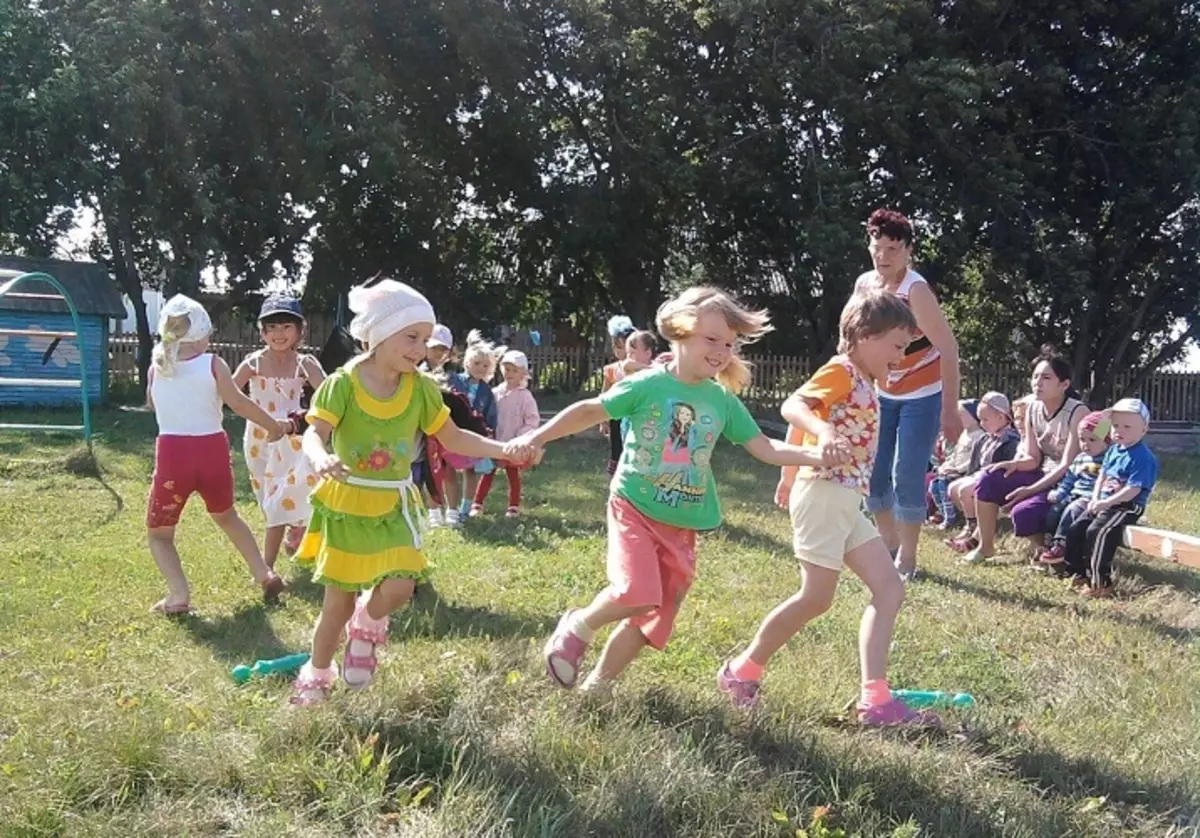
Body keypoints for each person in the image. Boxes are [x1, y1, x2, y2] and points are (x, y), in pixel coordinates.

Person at [513, 287, 825, 694]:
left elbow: (765, 448)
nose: (720, 350)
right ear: (679, 332)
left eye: (728, 343)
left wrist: (819, 457)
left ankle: (599, 686)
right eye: (711, 339)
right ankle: (578, 626)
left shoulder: (722, 401)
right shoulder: (647, 385)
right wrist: (539, 435)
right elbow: (591, 410)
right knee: (636, 592)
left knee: (654, 615)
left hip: (681, 523)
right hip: (635, 507)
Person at [290, 280, 533, 705]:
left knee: (401, 586)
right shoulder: (343, 384)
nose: (421, 349)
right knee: (336, 606)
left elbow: (455, 437)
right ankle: (317, 673)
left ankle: (368, 622)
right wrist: (320, 457)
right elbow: (315, 433)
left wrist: (503, 449)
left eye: (425, 339)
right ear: (380, 332)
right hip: (347, 503)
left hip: (394, 504)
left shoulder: (420, 388)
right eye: (412, 337)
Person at [716, 291, 938, 726]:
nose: (901, 357)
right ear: (863, 336)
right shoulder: (842, 370)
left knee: (890, 589)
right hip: (824, 495)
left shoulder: (863, 381)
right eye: (896, 346)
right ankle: (741, 672)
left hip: (844, 501)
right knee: (816, 598)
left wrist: (787, 473)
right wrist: (821, 435)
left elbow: (813, 418)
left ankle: (875, 700)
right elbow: (795, 406)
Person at [146, 294, 288, 614]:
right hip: (212, 452)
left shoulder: (157, 368)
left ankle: (178, 595)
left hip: (173, 456)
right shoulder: (213, 364)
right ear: (201, 335)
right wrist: (272, 426)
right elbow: (238, 402)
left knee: (159, 534)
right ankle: (263, 573)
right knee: (227, 516)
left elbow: (152, 404)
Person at [854, 209, 962, 580]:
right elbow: (853, 341)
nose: (883, 256)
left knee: (907, 472)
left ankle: (909, 559)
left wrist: (950, 411)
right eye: (877, 246)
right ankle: (889, 543)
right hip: (883, 393)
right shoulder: (865, 285)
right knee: (874, 471)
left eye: (893, 249)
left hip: (924, 394)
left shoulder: (916, 291)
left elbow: (948, 348)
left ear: (908, 250)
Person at [967, 348, 1087, 563]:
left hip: (1068, 481)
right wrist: (1012, 464)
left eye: (1046, 377)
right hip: (1042, 473)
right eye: (1035, 377)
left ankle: (1051, 551)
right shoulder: (1032, 408)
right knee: (988, 479)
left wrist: (1029, 491)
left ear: (1064, 384)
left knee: (1023, 513)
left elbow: (1067, 465)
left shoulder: (1078, 412)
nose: (1037, 382)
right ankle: (985, 547)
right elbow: (1033, 458)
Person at [233, 296, 326, 567]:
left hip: (293, 439)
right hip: (258, 440)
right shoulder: (253, 363)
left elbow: (329, 396)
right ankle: (292, 529)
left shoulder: (305, 363)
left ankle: (267, 567)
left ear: (300, 331)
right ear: (262, 332)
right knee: (267, 497)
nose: (279, 334)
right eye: (271, 328)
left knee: (289, 493)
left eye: (286, 327)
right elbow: (228, 394)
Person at [1061, 399, 1158, 596]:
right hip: (1105, 502)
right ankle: (1078, 573)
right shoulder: (1114, 449)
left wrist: (1107, 502)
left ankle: (1100, 584)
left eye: (1127, 426)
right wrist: (1095, 499)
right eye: (1115, 426)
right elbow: (1102, 477)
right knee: (1076, 528)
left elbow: (1133, 489)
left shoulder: (1142, 457)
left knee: (1097, 532)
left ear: (1144, 429)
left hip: (1127, 505)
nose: (1119, 430)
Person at [945, 392, 1021, 554]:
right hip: (979, 475)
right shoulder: (985, 439)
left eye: (985, 419)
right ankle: (973, 521)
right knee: (953, 488)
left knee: (965, 490)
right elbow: (975, 464)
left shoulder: (1010, 441)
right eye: (980, 419)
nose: (982, 423)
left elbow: (1004, 469)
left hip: (993, 479)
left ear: (1001, 417)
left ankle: (974, 529)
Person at [472, 350, 541, 517]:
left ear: (523, 373)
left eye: (514, 370)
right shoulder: (495, 393)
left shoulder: (525, 396)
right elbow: (487, 413)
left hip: (514, 442)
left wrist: (522, 437)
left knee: (513, 475)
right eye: (507, 369)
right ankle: (477, 503)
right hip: (496, 441)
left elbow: (532, 420)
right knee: (488, 472)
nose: (509, 373)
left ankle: (514, 506)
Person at [1037, 411, 1111, 564]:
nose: (1086, 444)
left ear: (1107, 440)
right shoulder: (1080, 458)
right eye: (1082, 439)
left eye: (1092, 439)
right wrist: (1060, 493)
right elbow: (1069, 479)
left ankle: (1061, 545)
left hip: (1091, 498)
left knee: (1072, 511)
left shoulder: (1109, 459)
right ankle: (1049, 542)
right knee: (1054, 512)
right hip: (1074, 494)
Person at [442, 330, 499, 526]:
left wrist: (490, 432)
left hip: (474, 435)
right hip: (452, 431)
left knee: (471, 471)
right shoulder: (454, 381)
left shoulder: (487, 391)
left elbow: (491, 415)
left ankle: (466, 508)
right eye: (477, 364)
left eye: (485, 365)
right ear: (467, 363)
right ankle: (451, 508)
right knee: (447, 468)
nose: (480, 368)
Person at [418, 323, 454, 527]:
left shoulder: (453, 377)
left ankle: (452, 510)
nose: (438, 353)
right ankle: (432, 512)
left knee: (447, 472)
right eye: (434, 348)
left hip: (444, 431)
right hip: (423, 433)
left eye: (442, 349)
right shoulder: (417, 374)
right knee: (426, 472)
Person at [927, 400, 983, 530]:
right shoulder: (964, 434)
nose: (960, 418)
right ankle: (947, 513)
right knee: (934, 484)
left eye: (963, 414)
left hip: (966, 472)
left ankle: (951, 519)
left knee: (943, 483)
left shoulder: (979, 436)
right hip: (954, 469)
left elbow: (974, 460)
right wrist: (946, 466)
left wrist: (956, 469)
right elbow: (956, 454)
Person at [600, 315, 638, 475]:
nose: (618, 351)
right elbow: (604, 395)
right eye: (616, 346)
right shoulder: (611, 370)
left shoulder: (639, 368)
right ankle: (615, 475)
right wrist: (603, 421)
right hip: (617, 416)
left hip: (636, 415)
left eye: (621, 346)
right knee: (617, 449)